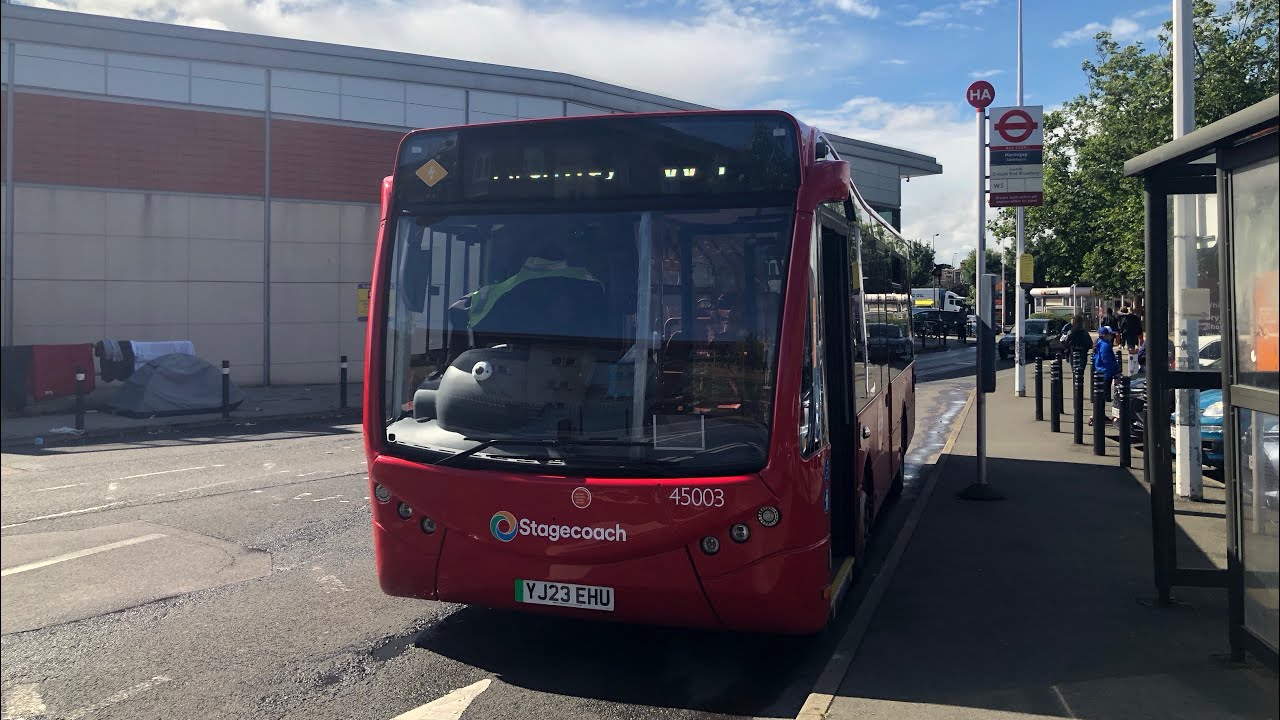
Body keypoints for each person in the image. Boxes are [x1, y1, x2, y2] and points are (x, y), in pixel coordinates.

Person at [1094, 325, 1121, 409]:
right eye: (1109, 334)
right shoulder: (1105, 345)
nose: (1111, 336)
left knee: (1105, 390)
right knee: (1106, 391)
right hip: (1106, 370)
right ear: (1105, 335)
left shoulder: (1100, 343)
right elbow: (1107, 359)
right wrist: (1115, 369)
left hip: (1102, 369)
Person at [1065, 313, 1093, 380]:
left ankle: (1076, 386)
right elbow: (1090, 343)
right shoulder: (1084, 332)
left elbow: (1066, 342)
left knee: (1075, 372)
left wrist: (1067, 351)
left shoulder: (1071, 331)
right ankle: (1079, 385)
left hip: (1073, 353)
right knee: (1081, 372)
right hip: (1083, 353)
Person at [1118, 306, 1143, 375]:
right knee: (1132, 345)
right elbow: (1139, 326)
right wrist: (1139, 332)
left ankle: (1132, 359)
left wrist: (1121, 330)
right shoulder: (1135, 317)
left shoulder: (1125, 317)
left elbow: (1122, 325)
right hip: (1133, 333)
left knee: (1130, 347)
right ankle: (1132, 358)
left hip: (1128, 333)